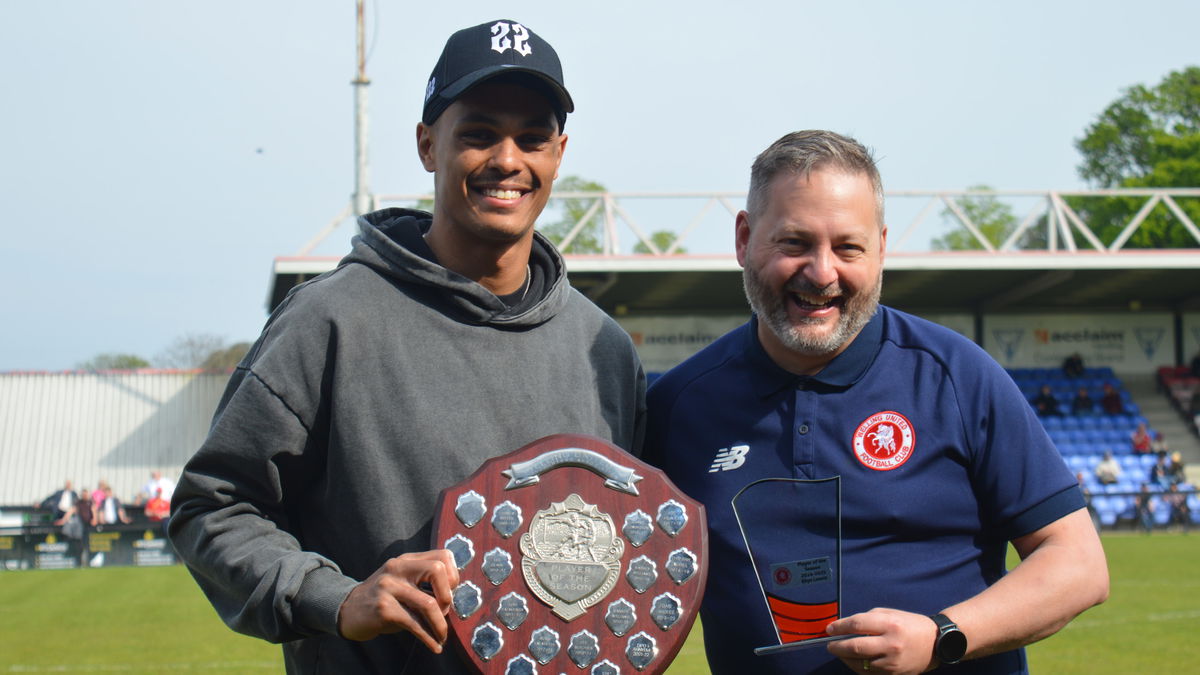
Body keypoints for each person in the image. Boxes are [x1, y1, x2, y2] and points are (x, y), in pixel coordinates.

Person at [168, 19, 645, 675]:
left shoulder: (605, 347)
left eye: (532, 137)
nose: (507, 159)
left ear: (558, 153)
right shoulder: (330, 319)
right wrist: (335, 597)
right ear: (427, 145)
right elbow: (213, 505)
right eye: (478, 133)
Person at [644, 130, 1108, 674]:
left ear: (881, 248)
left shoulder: (956, 375)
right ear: (745, 238)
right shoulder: (678, 406)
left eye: (848, 247)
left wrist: (942, 636)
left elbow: (1077, 563)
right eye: (794, 243)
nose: (822, 273)